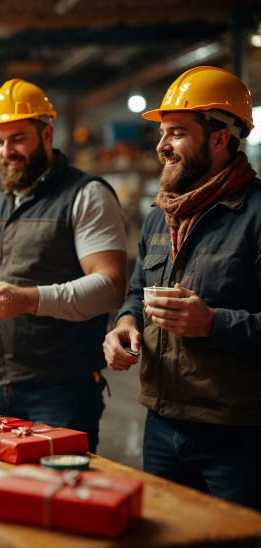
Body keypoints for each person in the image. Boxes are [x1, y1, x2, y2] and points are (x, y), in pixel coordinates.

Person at [0, 79, 127, 451]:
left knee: (57, 491)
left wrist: (29, 299)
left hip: (60, 390)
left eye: (17, 139)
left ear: (46, 134)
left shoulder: (85, 195)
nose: (6, 151)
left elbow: (111, 286)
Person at [103, 66, 261, 511]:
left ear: (219, 139)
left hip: (238, 434)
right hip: (161, 424)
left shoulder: (255, 216)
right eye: (162, 133)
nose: (161, 146)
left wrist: (212, 323)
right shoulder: (160, 216)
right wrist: (124, 325)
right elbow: (137, 291)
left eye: (176, 133)